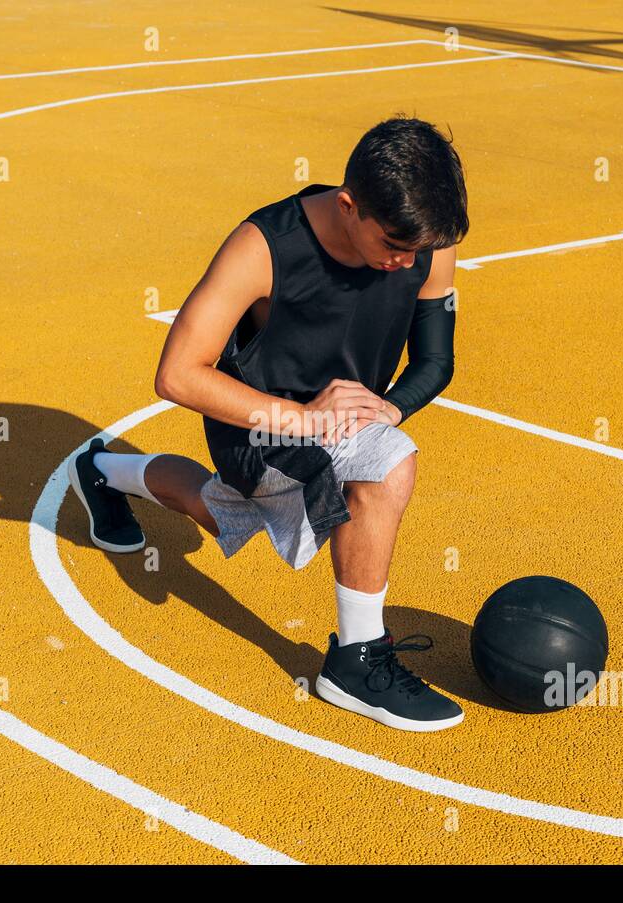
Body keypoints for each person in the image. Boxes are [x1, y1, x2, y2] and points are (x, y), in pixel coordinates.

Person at [69, 115, 468, 731]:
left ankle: (101, 470)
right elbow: (178, 374)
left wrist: (388, 407)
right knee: (389, 463)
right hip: (257, 427)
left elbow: (436, 362)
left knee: (215, 511)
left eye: (418, 249)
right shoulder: (263, 248)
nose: (408, 261)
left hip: (335, 425)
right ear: (348, 206)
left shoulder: (423, 239)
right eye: (394, 245)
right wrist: (303, 419)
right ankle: (356, 661)